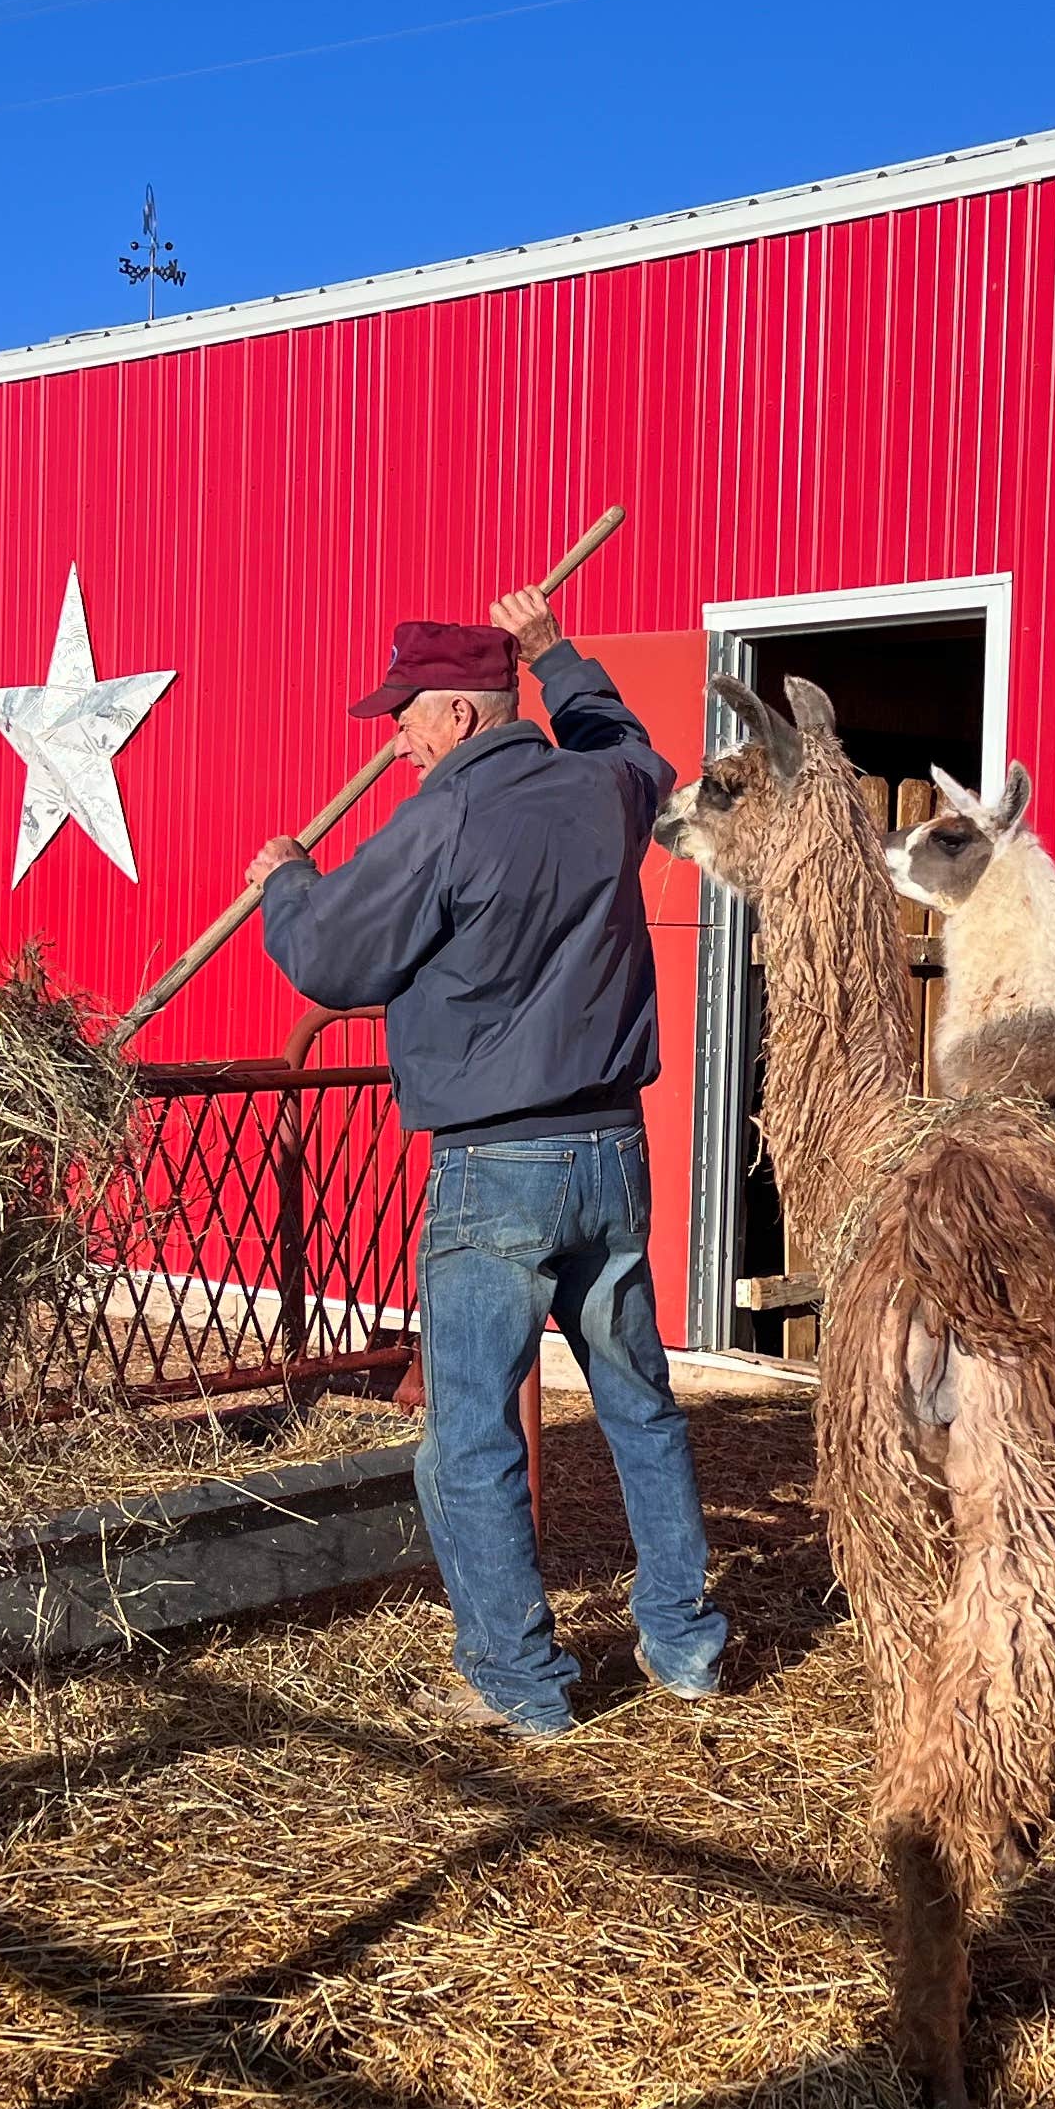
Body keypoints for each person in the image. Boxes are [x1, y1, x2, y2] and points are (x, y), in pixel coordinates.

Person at [245, 584, 727, 1742]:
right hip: (611, 1151)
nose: (395, 738)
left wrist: (287, 881)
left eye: (405, 716)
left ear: (458, 718)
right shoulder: (602, 791)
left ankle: (519, 1680)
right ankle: (686, 1644)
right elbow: (638, 750)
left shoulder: (443, 819)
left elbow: (329, 959)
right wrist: (562, 658)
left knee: (469, 1435)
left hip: (494, 1167)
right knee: (641, 1408)